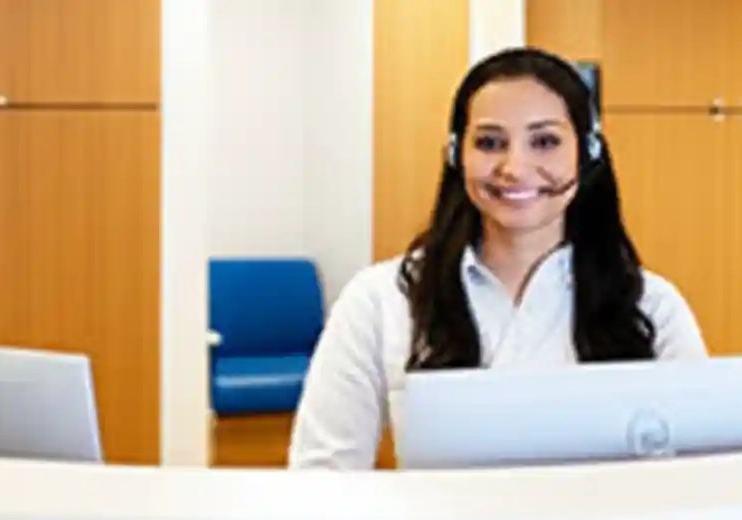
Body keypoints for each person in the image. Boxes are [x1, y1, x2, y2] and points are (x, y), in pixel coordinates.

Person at [288, 47, 707, 470]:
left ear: (587, 152)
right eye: (490, 143)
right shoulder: (380, 300)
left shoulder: (652, 305)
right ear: (456, 154)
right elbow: (322, 473)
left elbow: (697, 473)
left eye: (545, 142)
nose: (515, 168)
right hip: (440, 517)